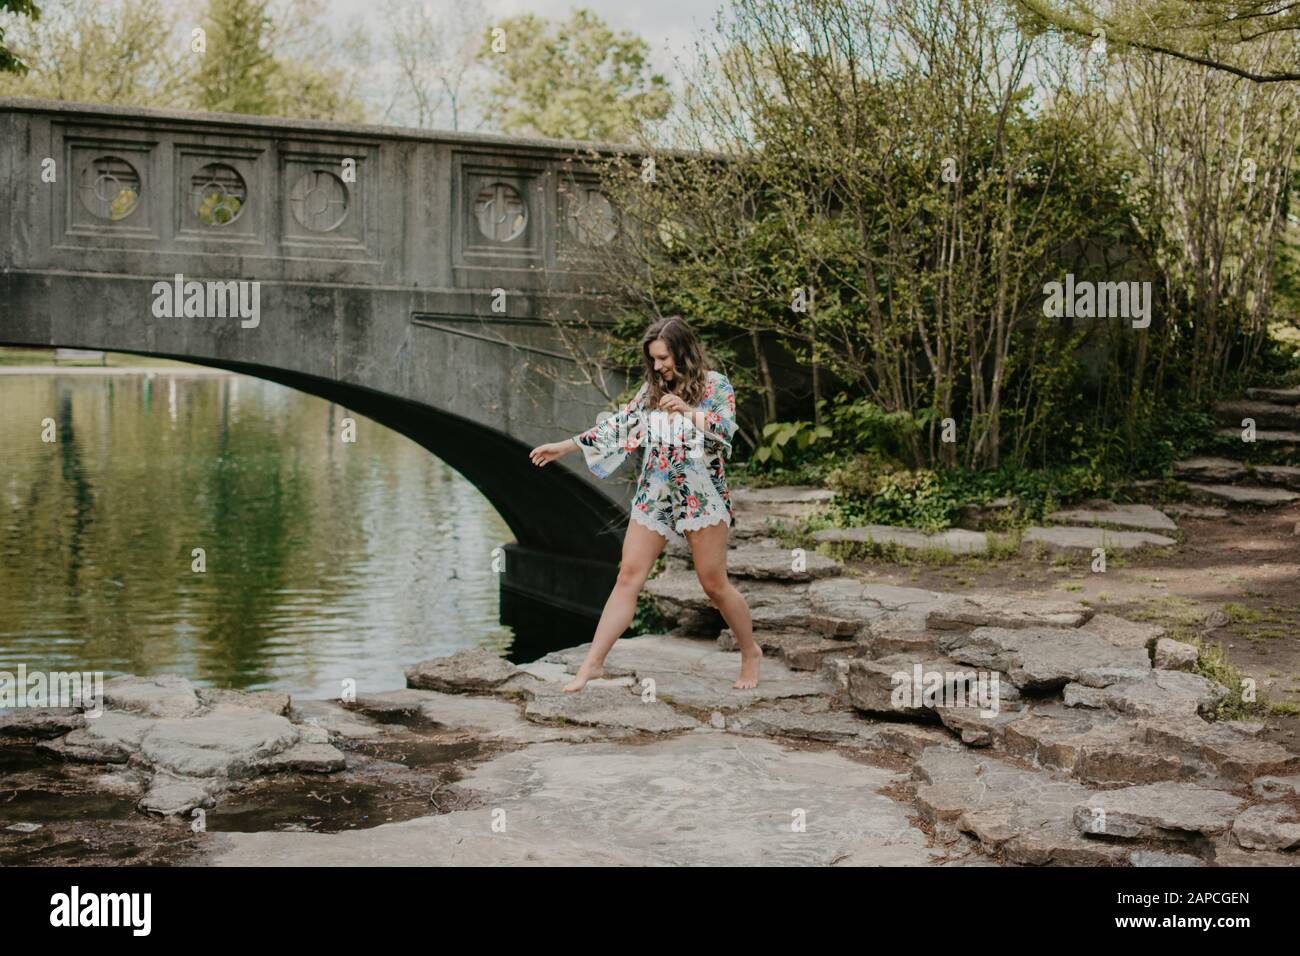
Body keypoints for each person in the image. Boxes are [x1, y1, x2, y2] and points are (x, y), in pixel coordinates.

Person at [528, 315, 761, 692]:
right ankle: (592, 665)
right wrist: (566, 447)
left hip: (700, 493)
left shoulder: (716, 385)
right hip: (655, 491)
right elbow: (618, 426)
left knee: (714, 586)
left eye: (664, 358)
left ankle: (750, 652)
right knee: (627, 577)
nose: (658, 366)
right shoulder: (651, 389)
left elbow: (726, 434)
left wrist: (688, 412)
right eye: (653, 359)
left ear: (684, 351)